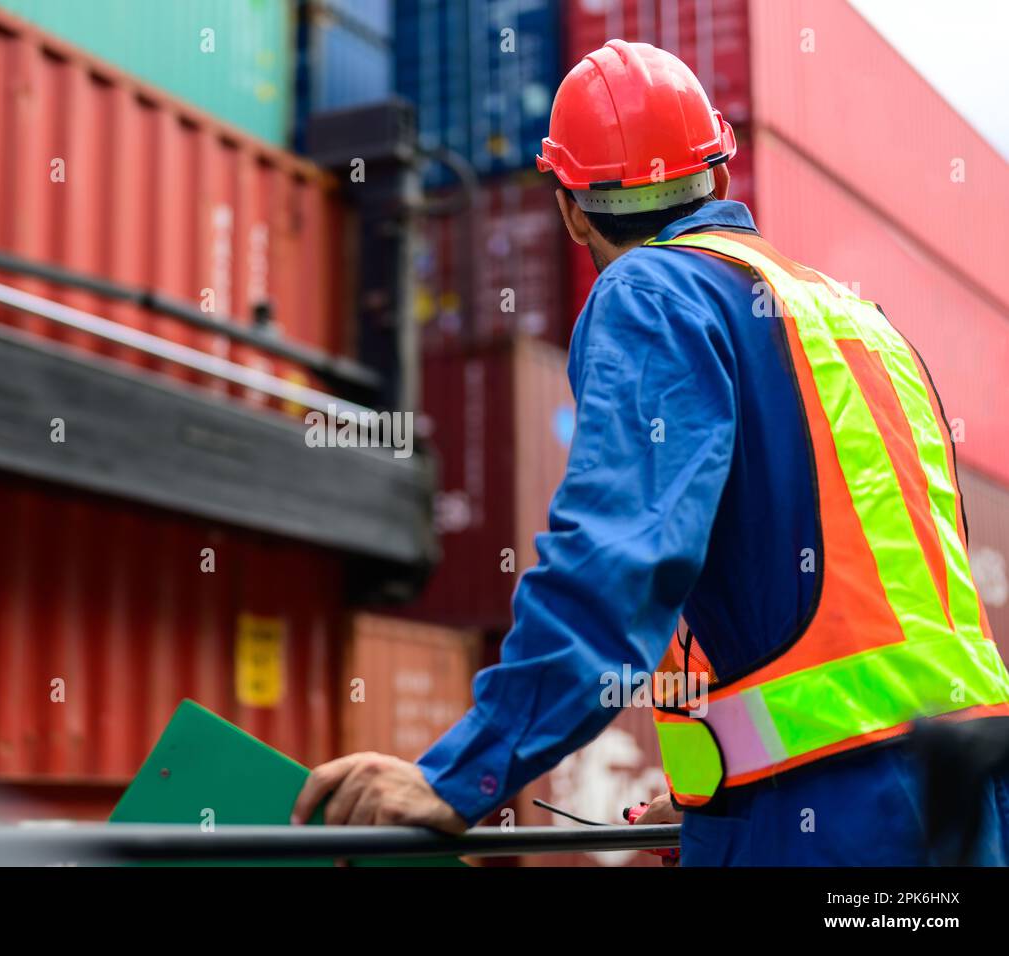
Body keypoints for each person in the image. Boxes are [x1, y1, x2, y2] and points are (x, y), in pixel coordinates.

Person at [292, 40, 1009, 865]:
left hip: (834, 815)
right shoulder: (860, 321)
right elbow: (861, 608)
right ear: (723, 179)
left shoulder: (652, 292)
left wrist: (461, 777)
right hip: (971, 797)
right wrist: (727, 775)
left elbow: (619, 565)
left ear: (570, 210)